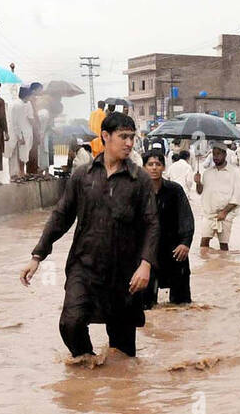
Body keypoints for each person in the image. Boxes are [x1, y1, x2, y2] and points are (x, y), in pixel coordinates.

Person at [21, 113, 158, 360]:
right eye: (123, 137)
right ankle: (87, 365)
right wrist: (37, 255)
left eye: (131, 137)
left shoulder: (140, 180)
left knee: (123, 350)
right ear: (105, 136)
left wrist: (146, 264)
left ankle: (117, 388)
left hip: (124, 272)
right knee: (70, 323)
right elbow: (61, 216)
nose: (129, 143)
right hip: (84, 267)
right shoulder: (82, 176)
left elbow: (152, 224)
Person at [142, 144, 194, 308]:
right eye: (150, 164)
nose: (154, 168)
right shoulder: (138, 192)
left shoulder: (174, 190)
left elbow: (186, 217)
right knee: (146, 305)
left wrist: (185, 243)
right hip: (148, 252)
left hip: (174, 249)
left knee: (181, 303)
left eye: (158, 164)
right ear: (144, 168)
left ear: (164, 167)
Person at [195, 143, 240, 252]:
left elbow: (237, 197)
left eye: (218, 154)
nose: (215, 157)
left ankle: (224, 266)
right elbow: (200, 192)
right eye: (214, 154)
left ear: (225, 154)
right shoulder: (207, 173)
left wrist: (224, 212)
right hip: (209, 214)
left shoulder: (234, 173)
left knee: (224, 246)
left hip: (226, 215)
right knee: (203, 243)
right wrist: (198, 183)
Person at [6, 86, 34, 181]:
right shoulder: (19, 105)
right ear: (26, 95)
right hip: (18, 134)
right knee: (20, 155)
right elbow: (16, 123)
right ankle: (18, 174)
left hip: (17, 134)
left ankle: (16, 174)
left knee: (15, 155)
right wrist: (20, 136)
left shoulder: (16, 103)